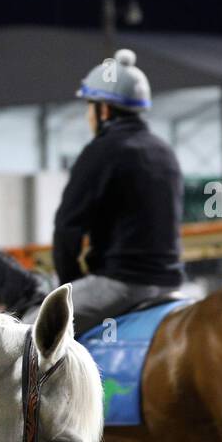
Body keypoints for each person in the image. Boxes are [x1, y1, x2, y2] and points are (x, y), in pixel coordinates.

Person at [38, 48, 185, 336]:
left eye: (89, 107)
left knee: (29, 334)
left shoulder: (101, 151)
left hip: (122, 285)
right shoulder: (164, 151)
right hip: (170, 284)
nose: (88, 115)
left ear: (103, 110)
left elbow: (66, 229)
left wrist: (68, 289)